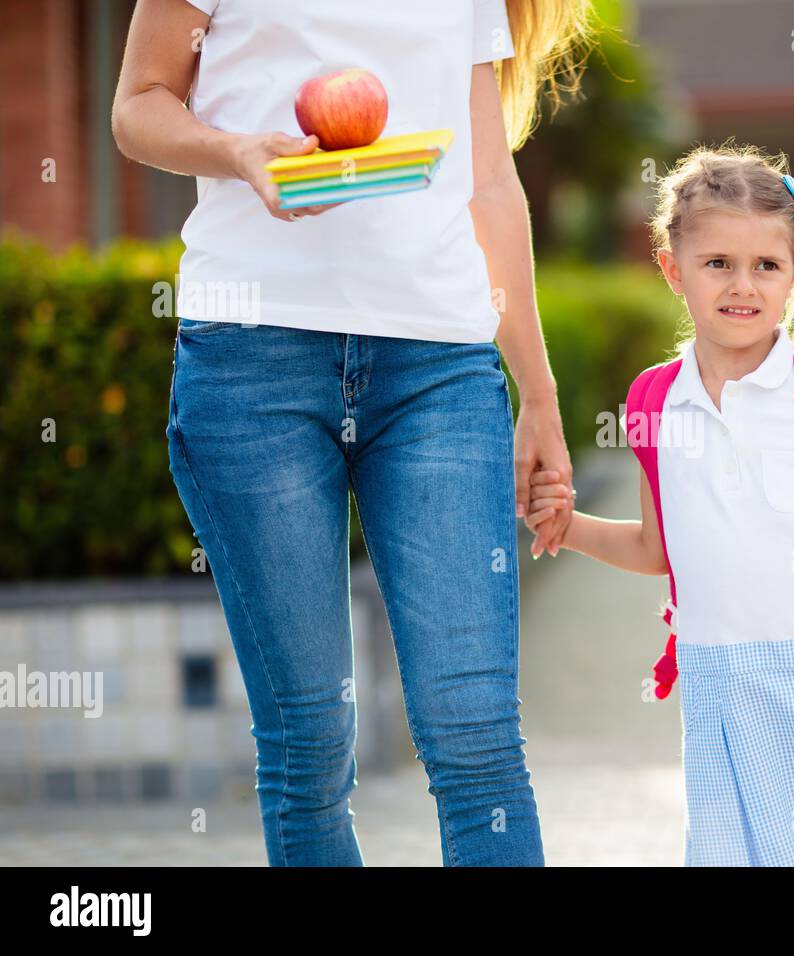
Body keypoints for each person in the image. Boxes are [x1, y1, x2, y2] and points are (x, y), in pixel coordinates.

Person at [111, 0, 589, 866]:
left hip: (438, 366)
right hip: (253, 358)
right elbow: (139, 104)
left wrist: (541, 394)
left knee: (476, 736)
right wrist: (238, 151)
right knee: (308, 742)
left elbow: (489, 182)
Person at [524, 144, 794, 865]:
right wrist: (569, 528)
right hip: (723, 685)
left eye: (766, 265)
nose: (743, 284)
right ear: (672, 269)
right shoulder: (652, 404)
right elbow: (658, 549)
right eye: (717, 264)